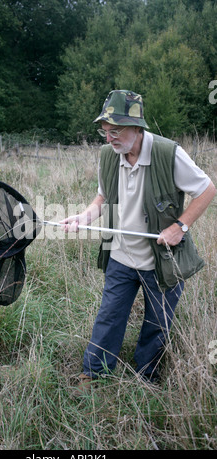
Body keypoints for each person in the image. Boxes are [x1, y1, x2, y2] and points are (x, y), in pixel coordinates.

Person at [60, 90, 216, 392]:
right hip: (121, 255)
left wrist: (180, 226)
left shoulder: (168, 153)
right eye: (105, 131)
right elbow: (103, 197)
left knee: (157, 323)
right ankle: (93, 374)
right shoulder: (109, 155)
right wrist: (84, 217)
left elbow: (207, 189)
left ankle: (147, 378)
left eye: (115, 131)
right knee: (109, 316)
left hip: (160, 262)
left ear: (137, 127)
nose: (109, 139)